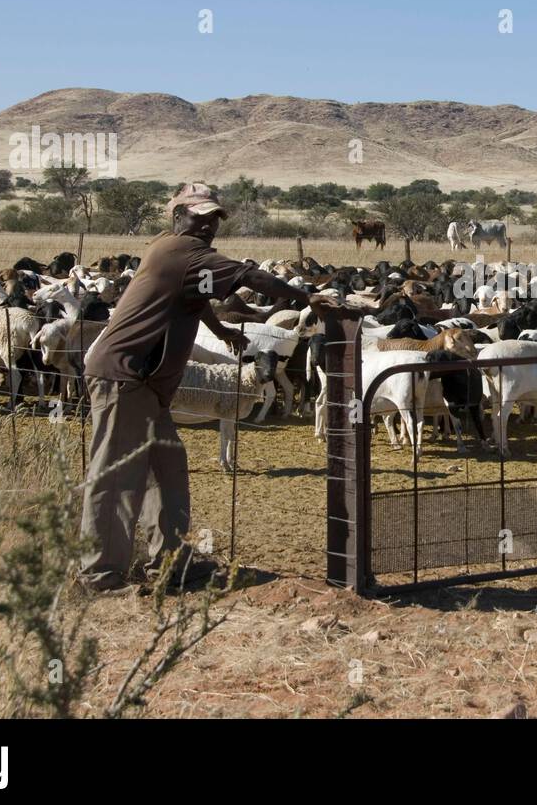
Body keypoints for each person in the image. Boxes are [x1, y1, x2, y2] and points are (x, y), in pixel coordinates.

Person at [78, 182, 364, 592]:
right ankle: (99, 578)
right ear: (178, 217)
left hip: (148, 384)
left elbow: (193, 299)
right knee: (117, 477)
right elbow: (250, 276)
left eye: (214, 218)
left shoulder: (175, 254)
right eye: (200, 216)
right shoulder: (182, 250)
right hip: (126, 377)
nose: (209, 225)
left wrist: (220, 328)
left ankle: (170, 565)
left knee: (168, 472)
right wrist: (306, 297)